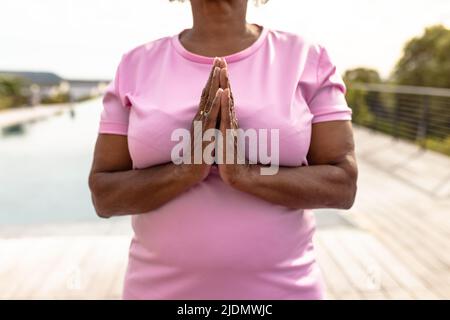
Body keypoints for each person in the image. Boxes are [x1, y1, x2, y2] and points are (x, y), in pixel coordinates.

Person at [88, 0, 358, 299]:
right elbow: (104, 194)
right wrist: (186, 170)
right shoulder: (136, 65)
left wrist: (246, 175)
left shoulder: (306, 58)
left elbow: (342, 184)